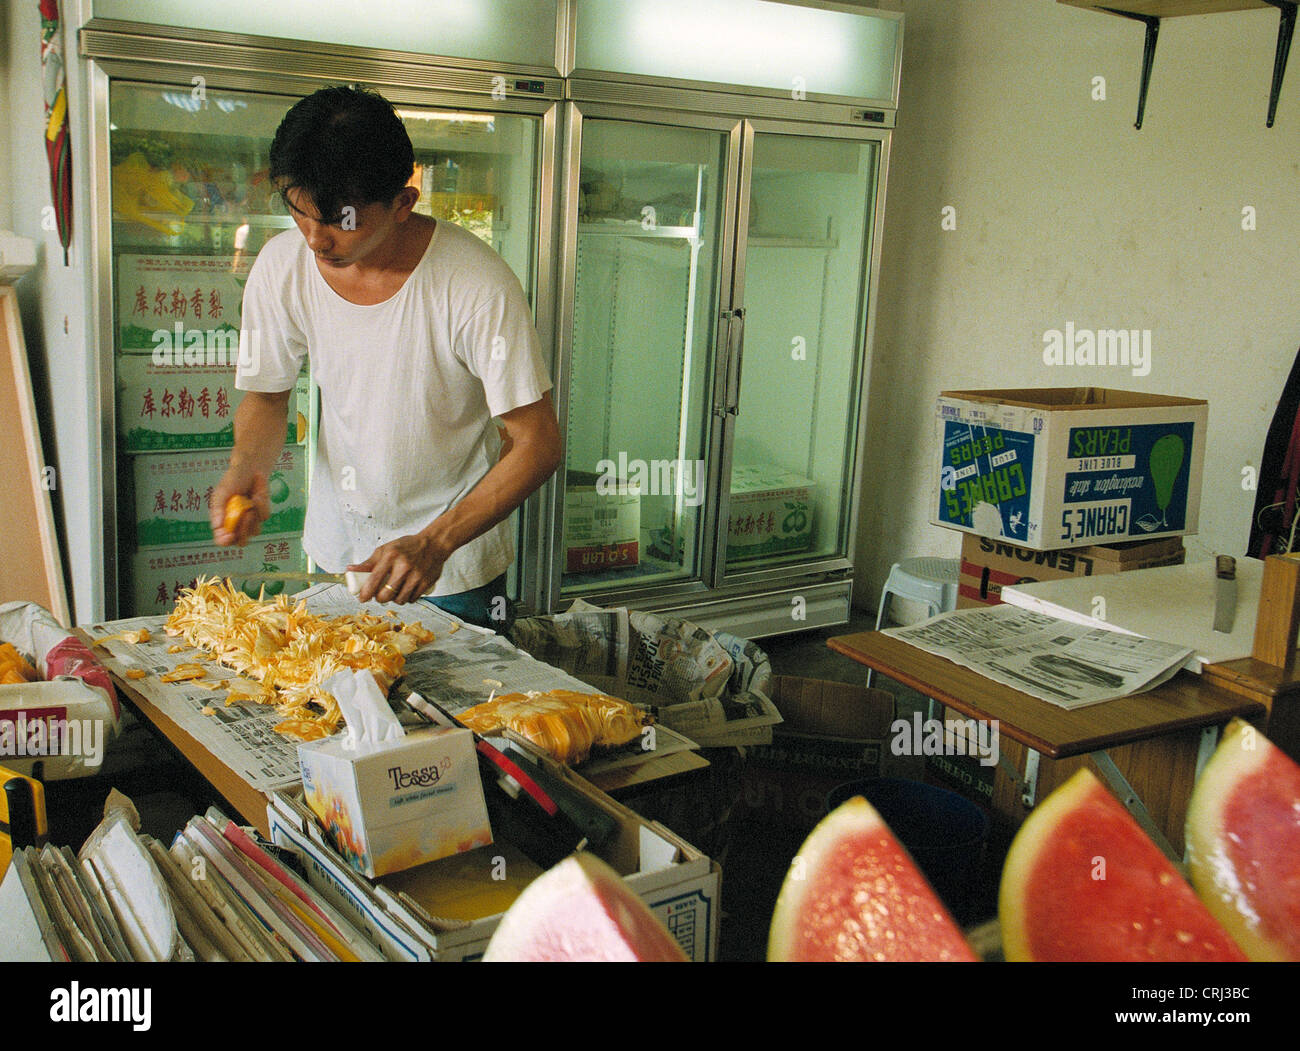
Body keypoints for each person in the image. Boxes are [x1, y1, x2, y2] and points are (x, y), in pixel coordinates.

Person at [210, 86, 560, 629]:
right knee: (330, 704)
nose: (315, 239)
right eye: (300, 214)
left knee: (454, 715)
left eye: (338, 222)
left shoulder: (475, 283)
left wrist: (434, 543)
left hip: (452, 572)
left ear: (403, 203)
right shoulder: (281, 266)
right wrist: (246, 468)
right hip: (339, 552)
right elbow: (267, 396)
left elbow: (537, 443)